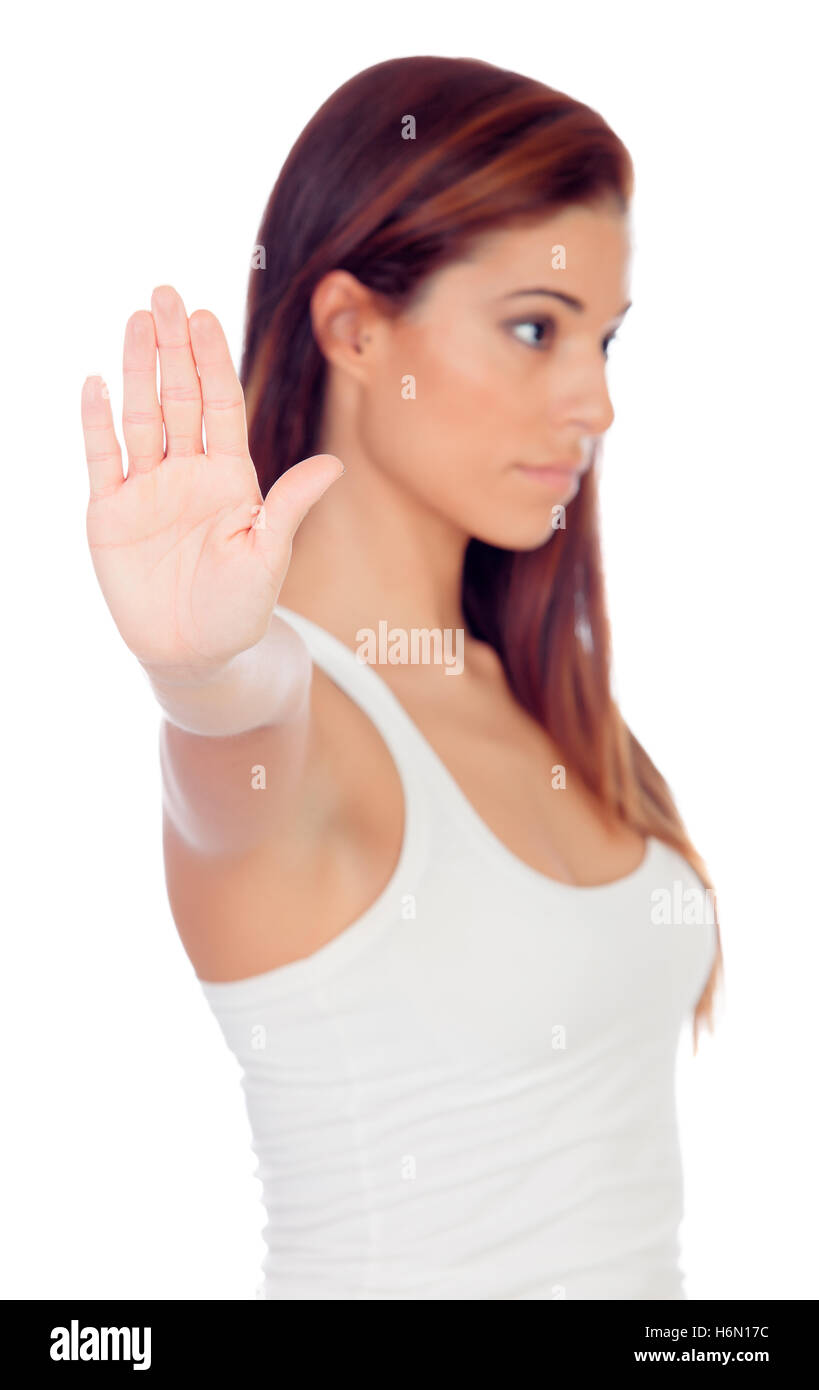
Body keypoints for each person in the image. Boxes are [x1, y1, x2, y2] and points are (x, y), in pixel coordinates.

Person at [80, 55, 723, 1300]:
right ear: (356, 329)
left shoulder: (539, 693)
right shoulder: (294, 712)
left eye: (605, 339)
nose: (595, 402)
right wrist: (197, 665)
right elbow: (234, 740)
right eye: (535, 327)